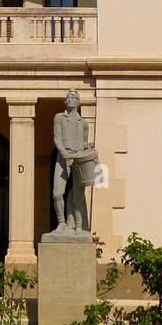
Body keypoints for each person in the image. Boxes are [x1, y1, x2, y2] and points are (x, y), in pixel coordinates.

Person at [51, 89, 98, 234]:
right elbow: (57, 138)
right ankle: (61, 223)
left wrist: (88, 147)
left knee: (78, 194)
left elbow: (84, 142)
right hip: (63, 158)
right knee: (57, 193)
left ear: (78, 102)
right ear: (65, 101)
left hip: (78, 160)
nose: (71, 98)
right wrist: (64, 153)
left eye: (74, 97)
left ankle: (79, 226)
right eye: (69, 97)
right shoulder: (59, 118)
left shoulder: (83, 123)